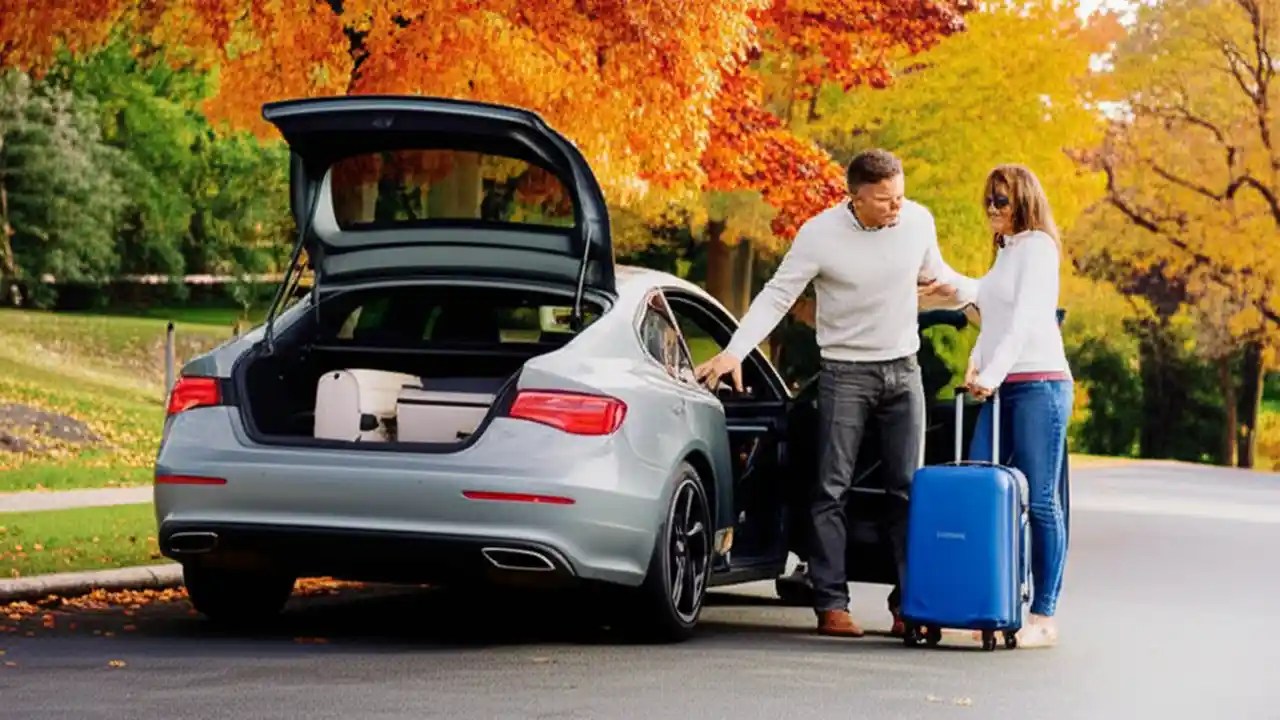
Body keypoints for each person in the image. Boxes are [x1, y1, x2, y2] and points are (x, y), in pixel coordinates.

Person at [694, 149, 977, 638]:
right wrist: (735, 351)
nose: (897, 207)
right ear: (856, 197)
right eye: (886, 200)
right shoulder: (820, 234)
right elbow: (778, 295)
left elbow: (940, 277)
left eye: (901, 196)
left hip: (903, 371)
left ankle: (910, 603)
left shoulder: (918, 221)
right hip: (845, 372)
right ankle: (831, 602)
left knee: (909, 492)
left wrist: (989, 298)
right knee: (831, 489)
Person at [963, 164, 1073, 649]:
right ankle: (991, 604)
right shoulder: (1004, 253)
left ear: (1024, 202)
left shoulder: (1039, 249)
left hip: (1040, 384)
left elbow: (1028, 319)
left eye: (1001, 201)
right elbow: (993, 321)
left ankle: (1044, 615)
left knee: (1041, 499)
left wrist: (992, 374)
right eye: (988, 200)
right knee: (982, 486)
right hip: (1003, 385)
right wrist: (975, 365)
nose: (992, 209)